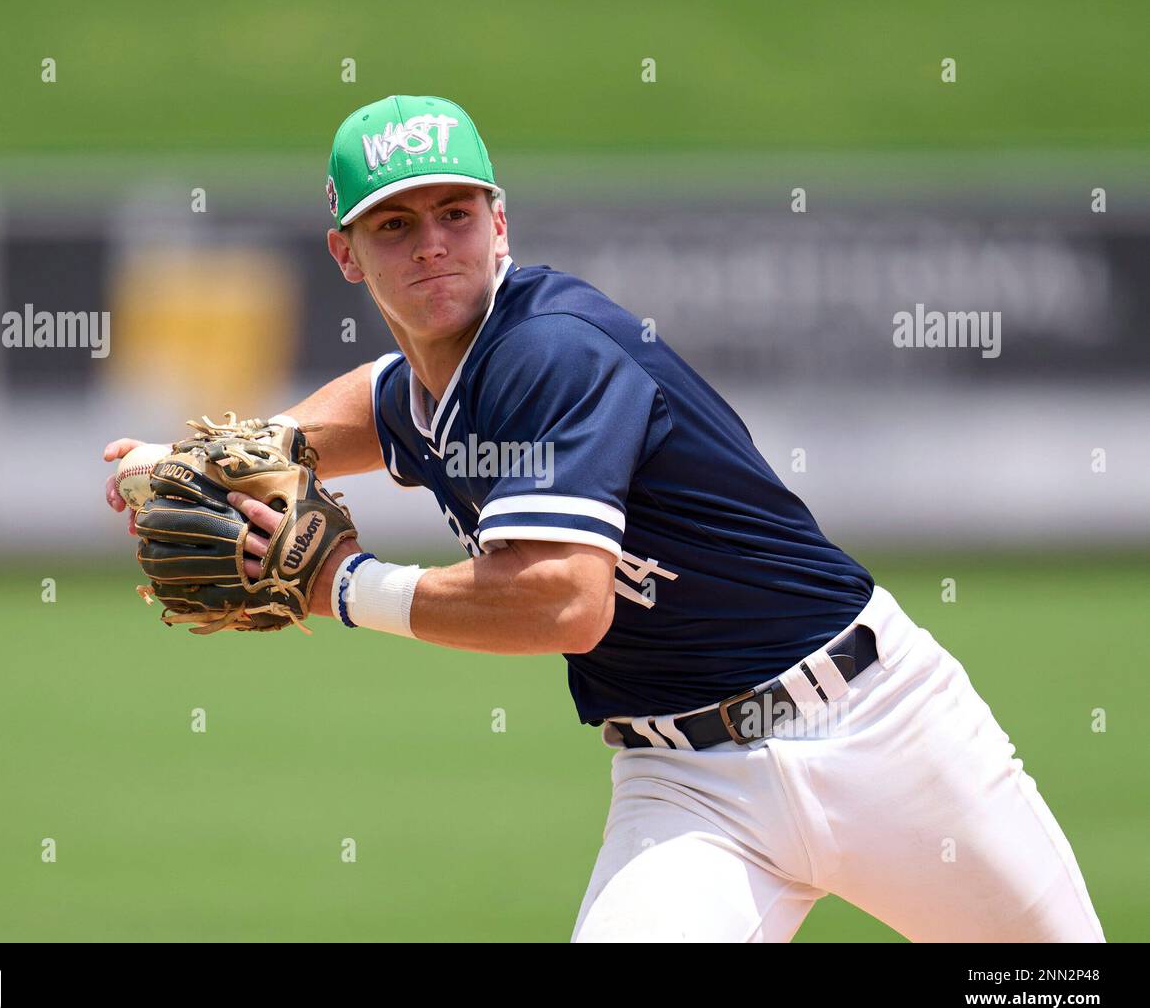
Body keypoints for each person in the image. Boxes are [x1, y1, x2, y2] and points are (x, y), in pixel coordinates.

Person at [104, 95, 1105, 943]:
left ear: (500, 223)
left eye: (454, 212)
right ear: (347, 254)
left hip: (880, 732)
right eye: (393, 226)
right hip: (687, 788)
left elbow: (563, 605)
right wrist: (201, 462)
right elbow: (365, 411)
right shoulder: (432, 382)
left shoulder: (553, 351)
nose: (431, 245)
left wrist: (341, 588)